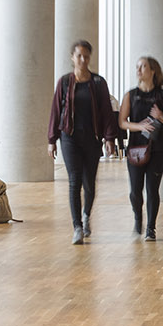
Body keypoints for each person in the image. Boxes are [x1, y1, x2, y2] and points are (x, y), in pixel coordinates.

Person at [46, 39, 117, 244]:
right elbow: (56, 111)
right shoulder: (65, 82)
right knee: (74, 181)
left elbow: (106, 111)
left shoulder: (98, 83)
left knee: (89, 184)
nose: (83, 60)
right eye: (79, 56)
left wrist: (109, 138)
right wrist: (52, 139)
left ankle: (86, 216)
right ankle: (77, 226)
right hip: (69, 137)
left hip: (92, 138)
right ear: (72, 57)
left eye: (86, 56)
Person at [119, 56, 163, 241]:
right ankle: (138, 217)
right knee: (135, 191)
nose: (138, 70)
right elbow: (122, 122)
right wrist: (139, 126)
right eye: (137, 66)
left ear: (153, 71)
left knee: (152, 189)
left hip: (159, 149)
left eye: (143, 66)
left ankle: (151, 228)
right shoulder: (130, 95)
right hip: (136, 149)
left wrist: (160, 117)